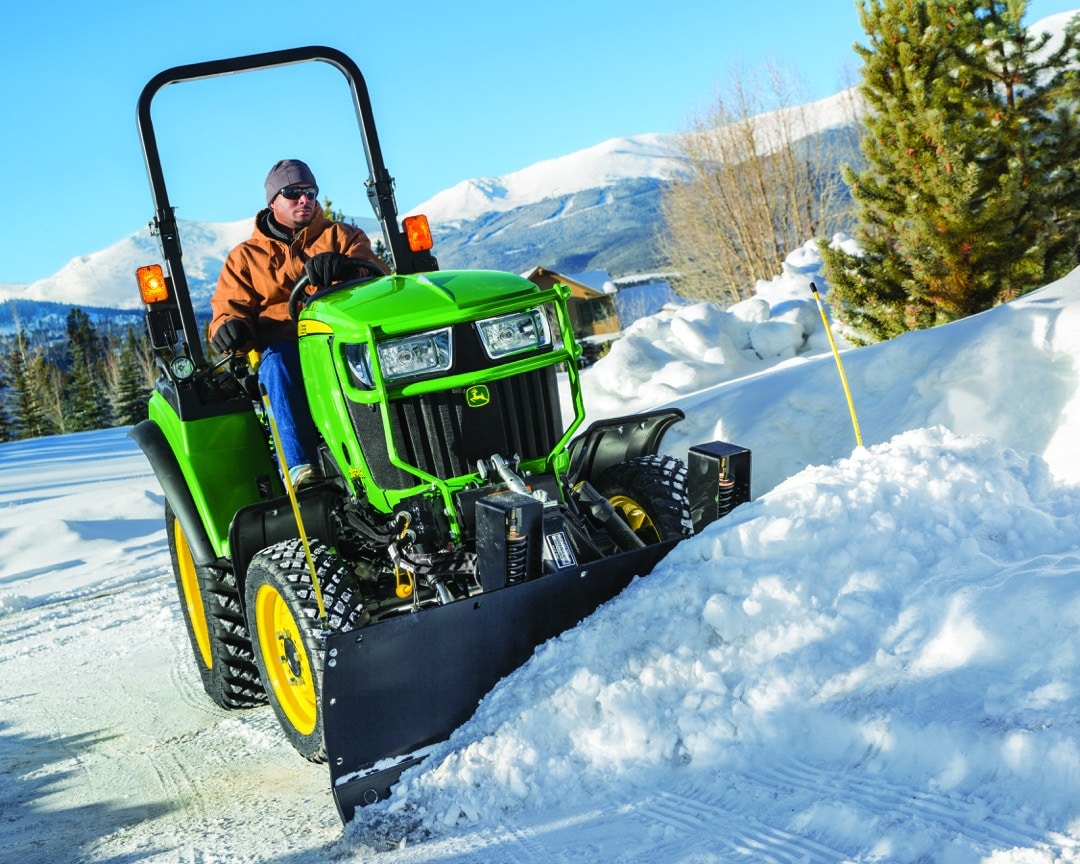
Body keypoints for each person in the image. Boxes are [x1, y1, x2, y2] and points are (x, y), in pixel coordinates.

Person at [209, 158, 387, 486]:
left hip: (340, 342)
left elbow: (375, 273)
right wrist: (229, 327)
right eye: (293, 193)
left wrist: (347, 267)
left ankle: (390, 454)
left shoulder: (342, 237)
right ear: (273, 201)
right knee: (277, 363)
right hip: (287, 350)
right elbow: (229, 307)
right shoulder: (245, 258)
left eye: (310, 192)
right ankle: (302, 469)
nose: (305, 199)